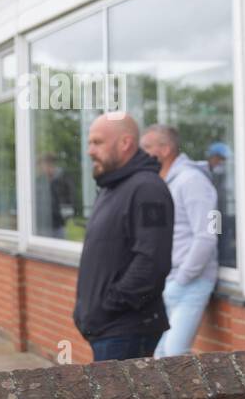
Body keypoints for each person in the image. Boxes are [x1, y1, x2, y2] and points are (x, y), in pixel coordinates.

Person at [73, 114, 173, 361]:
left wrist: (109, 306)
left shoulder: (147, 189)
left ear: (125, 143)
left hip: (127, 331)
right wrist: (84, 310)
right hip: (107, 330)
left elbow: (152, 262)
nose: (89, 151)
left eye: (97, 142)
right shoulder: (111, 187)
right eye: (89, 143)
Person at [140, 124, 218, 357]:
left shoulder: (192, 180)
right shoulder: (166, 181)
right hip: (170, 281)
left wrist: (183, 279)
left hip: (190, 283)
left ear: (164, 149)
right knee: (160, 356)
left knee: (173, 356)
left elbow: (207, 234)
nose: (141, 153)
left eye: (146, 147)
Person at [205, 141, 236, 266]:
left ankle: (222, 261)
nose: (211, 161)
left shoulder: (219, 172)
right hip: (220, 213)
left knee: (220, 240)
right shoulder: (227, 170)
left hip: (219, 214)